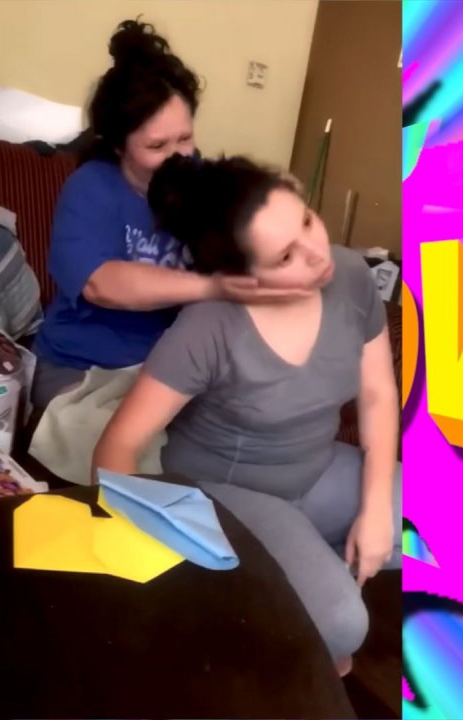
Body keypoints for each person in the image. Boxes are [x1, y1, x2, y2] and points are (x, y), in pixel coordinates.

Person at [93, 154, 402, 674]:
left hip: (318, 468)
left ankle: (297, 565)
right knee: (342, 626)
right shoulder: (208, 328)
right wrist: (169, 540)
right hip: (231, 492)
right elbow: (115, 448)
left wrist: (373, 511)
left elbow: (376, 393)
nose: (317, 255)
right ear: (241, 275)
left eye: (307, 221)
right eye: (285, 257)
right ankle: (286, 575)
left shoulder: (350, 275)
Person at [31, 20, 315, 410]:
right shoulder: (90, 187)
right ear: (119, 146)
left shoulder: (200, 179)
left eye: (185, 138)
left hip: (173, 370)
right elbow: (101, 284)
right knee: (116, 436)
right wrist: (213, 287)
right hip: (81, 368)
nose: (177, 156)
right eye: (156, 145)